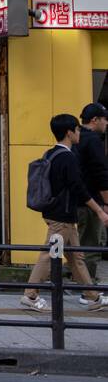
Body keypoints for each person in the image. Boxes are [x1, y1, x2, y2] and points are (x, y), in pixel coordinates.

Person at [23, 114, 108, 312]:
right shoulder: (67, 157)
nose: (79, 133)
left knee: (76, 257)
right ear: (69, 133)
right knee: (48, 255)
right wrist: (100, 211)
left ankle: (92, 297)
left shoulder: (51, 154)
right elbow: (78, 188)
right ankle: (30, 295)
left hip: (57, 213)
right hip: (62, 217)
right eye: (77, 130)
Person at [75, 102, 108, 279]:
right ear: (95, 120)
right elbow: (101, 174)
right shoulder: (94, 140)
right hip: (91, 202)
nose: (107, 123)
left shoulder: (76, 137)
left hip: (76, 200)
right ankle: (88, 290)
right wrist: (106, 203)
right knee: (91, 246)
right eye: (105, 119)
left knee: (76, 246)